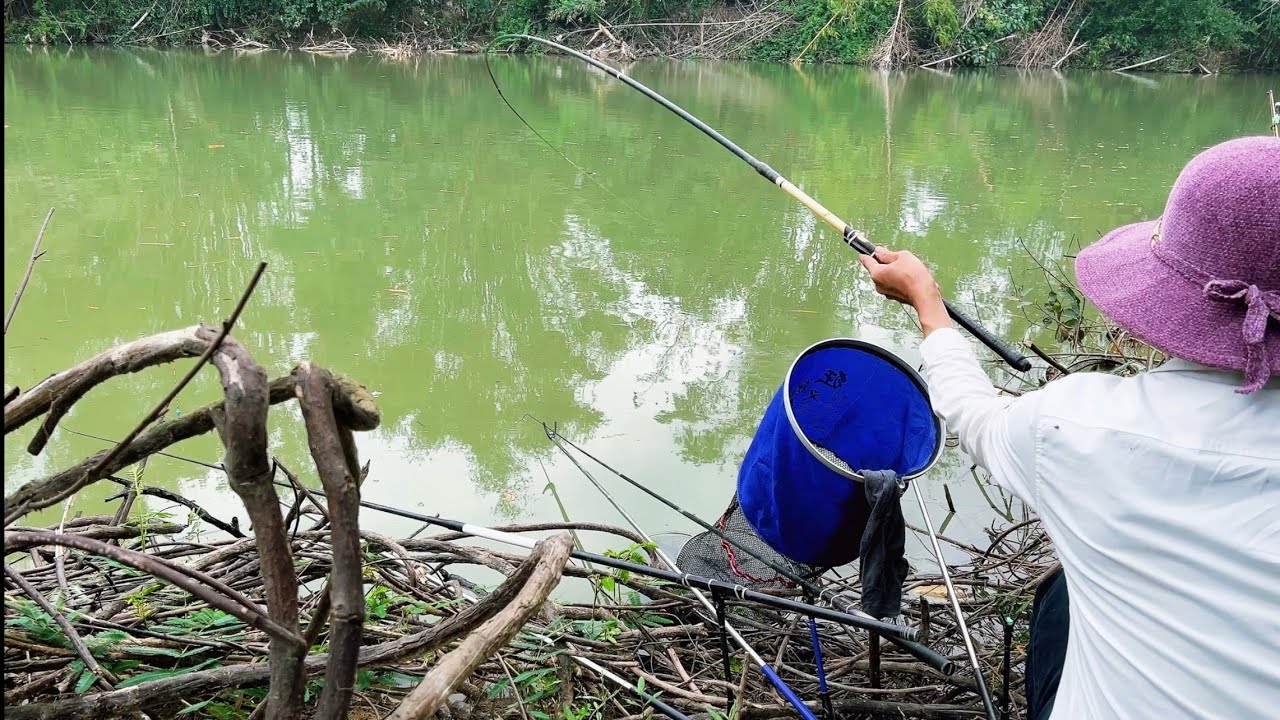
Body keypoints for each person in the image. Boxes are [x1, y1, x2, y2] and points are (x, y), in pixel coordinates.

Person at [858, 135, 1279, 719]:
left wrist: (927, 304)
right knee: (1061, 596)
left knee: (1060, 601)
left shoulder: (1081, 427)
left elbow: (973, 414)